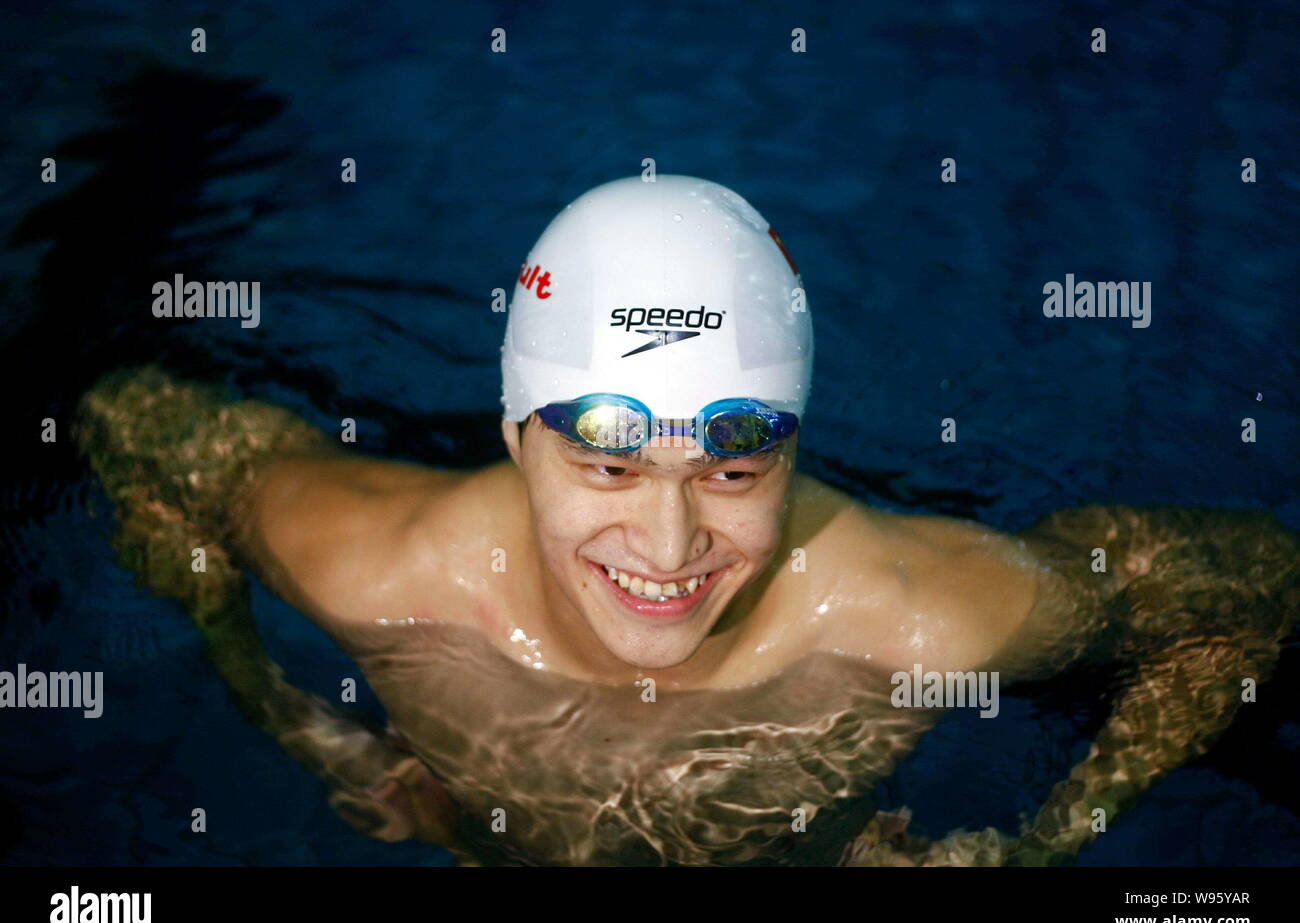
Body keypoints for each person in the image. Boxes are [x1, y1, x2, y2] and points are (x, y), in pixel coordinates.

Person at [75, 175, 1300, 866]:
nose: (666, 555)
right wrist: (300, 723)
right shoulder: (374, 567)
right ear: (515, 439)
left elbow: (1257, 583)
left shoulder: (918, 619)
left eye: (730, 470)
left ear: (792, 450)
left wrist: (1040, 845)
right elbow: (129, 420)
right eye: (606, 467)